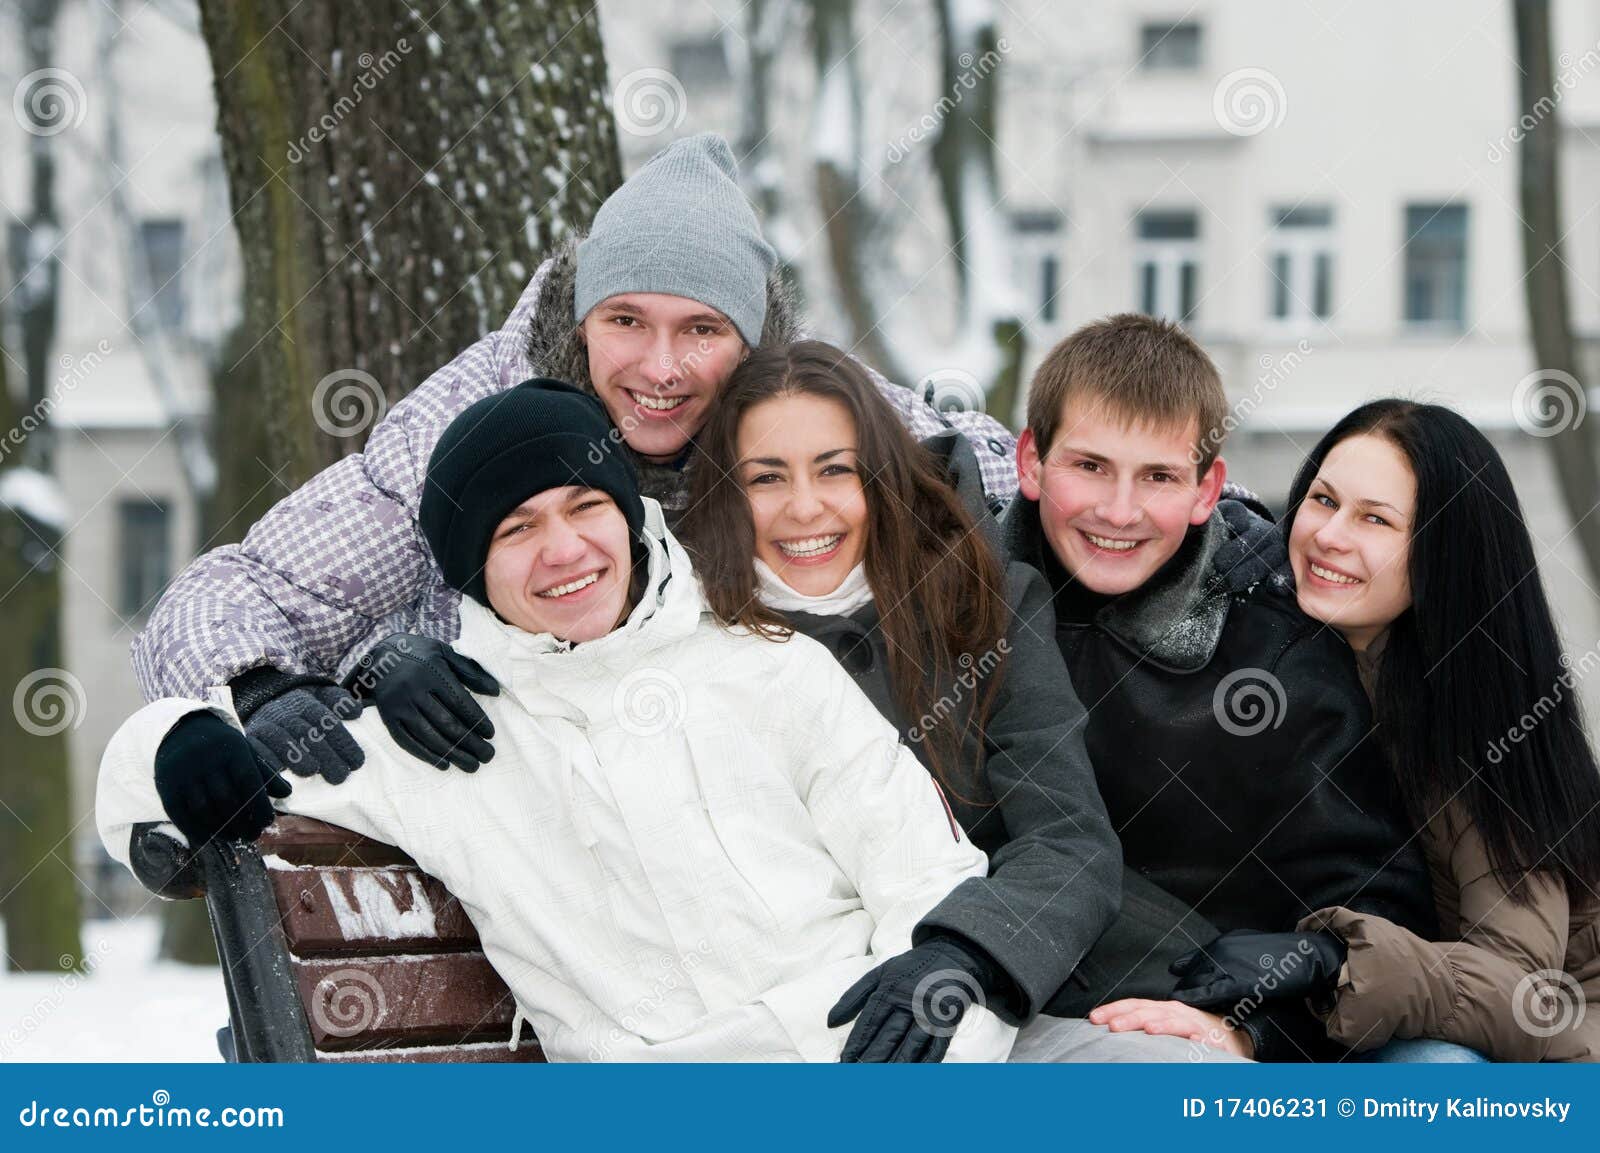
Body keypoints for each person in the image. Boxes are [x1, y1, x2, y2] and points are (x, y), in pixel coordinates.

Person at [98, 380, 1018, 1064]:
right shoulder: (444, 740)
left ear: (630, 515)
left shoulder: (772, 668)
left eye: (586, 507)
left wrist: (941, 1012)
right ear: (469, 572)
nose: (565, 549)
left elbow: (932, 884)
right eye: (516, 530)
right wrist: (177, 738)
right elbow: (176, 795)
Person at [129, 133, 1018, 787]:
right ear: (583, 316)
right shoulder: (476, 422)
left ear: (748, 343)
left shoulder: (800, 398)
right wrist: (263, 686)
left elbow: (988, 462)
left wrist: (949, 494)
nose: (659, 369)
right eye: (626, 321)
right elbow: (240, 592)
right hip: (524, 807)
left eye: (701, 330)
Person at [676, 340, 1194, 1062]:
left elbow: (1068, 841)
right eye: (766, 477)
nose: (805, 507)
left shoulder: (981, 604)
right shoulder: (681, 633)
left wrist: (966, 950)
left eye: (835, 470)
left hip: (987, 995)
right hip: (788, 1021)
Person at [998, 313, 1437, 1061]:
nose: (1119, 510)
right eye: (1091, 466)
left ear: (1207, 489)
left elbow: (1377, 907)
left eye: (1159, 476)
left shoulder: (1277, 648)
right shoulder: (954, 611)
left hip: (1199, 1034)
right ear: (1031, 462)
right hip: (990, 992)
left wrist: (1254, 1027)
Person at [1169, 399, 1600, 1062]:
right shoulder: (1314, 650)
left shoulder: (1479, 725)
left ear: (1443, 553)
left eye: (1375, 518)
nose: (1329, 535)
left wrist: (1333, 954)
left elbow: (1519, 984)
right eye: (1322, 499)